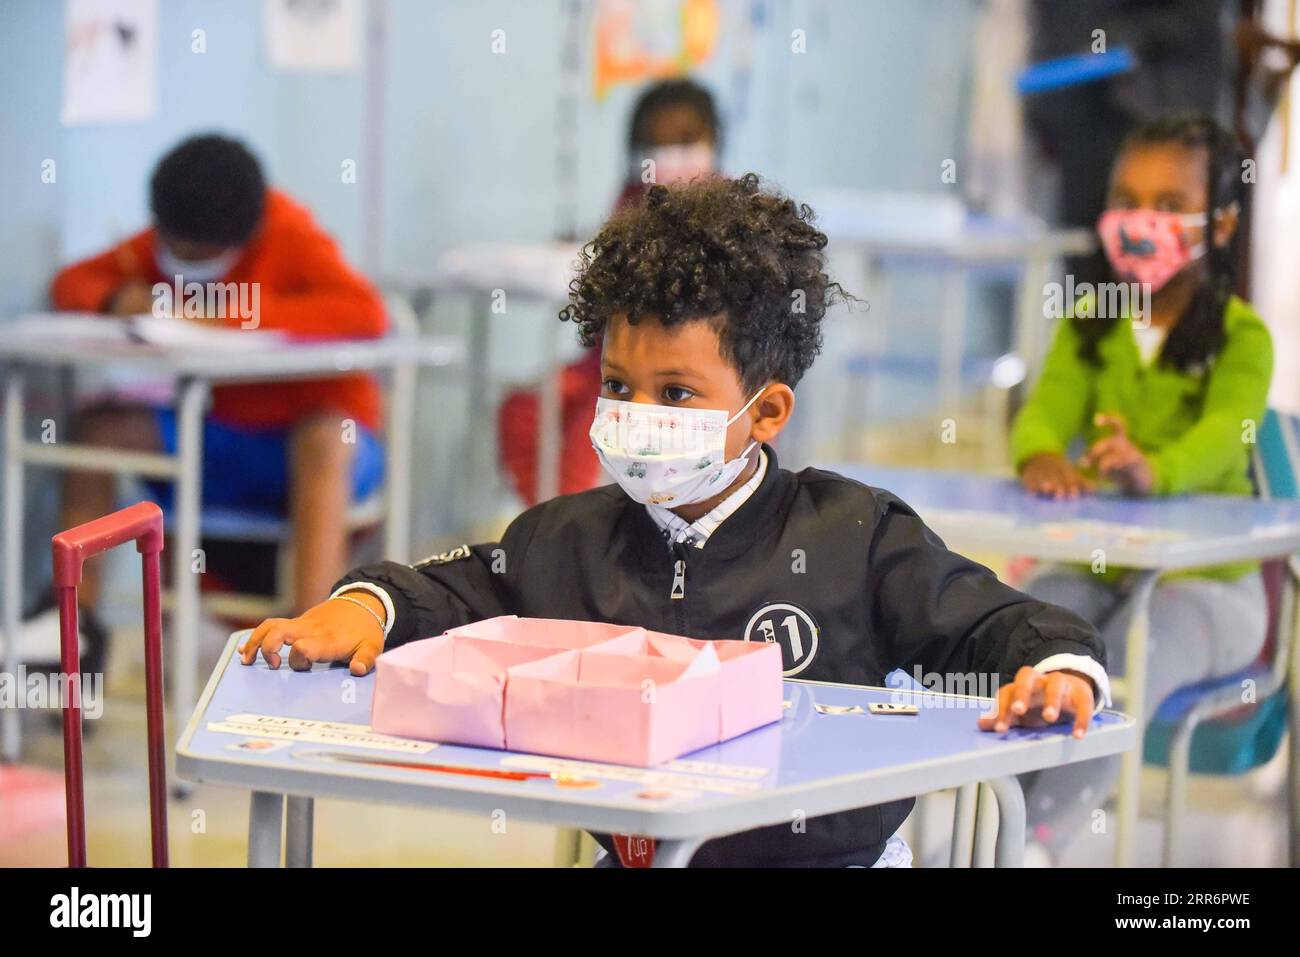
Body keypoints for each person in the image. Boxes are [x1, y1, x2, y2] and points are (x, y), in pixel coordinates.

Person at [242, 174, 1110, 868]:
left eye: (677, 393)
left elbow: (996, 622)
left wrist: (1054, 667)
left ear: (767, 412)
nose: (636, 412)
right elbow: (449, 586)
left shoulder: (856, 535)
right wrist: (362, 606)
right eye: (620, 385)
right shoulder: (568, 538)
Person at [1010, 114, 1272, 863]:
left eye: (1166, 201)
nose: (1140, 219)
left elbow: (1230, 432)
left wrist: (1154, 470)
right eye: (1127, 197)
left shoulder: (1242, 337)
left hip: (1211, 589)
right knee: (1035, 633)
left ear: (1218, 223)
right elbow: (1044, 413)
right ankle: (988, 822)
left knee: (1127, 654)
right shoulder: (1091, 322)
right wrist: (1037, 458)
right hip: (1104, 566)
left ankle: (1033, 843)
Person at [44, 133, 386, 669]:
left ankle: (311, 642)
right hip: (217, 438)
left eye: (200, 258)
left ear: (242, 238)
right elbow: (72, 282)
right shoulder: (165, 231)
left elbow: (363, 314)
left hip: (314, 447)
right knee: (101, 429)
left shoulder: (287, 232)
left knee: (323, 436)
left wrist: (230, 312)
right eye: (175, 250)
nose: (182, 263)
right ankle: (73, 631)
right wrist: (114, 299)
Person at [498, 77, 722, 505]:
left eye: (684, 140)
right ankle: (547, 516)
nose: (670, 155)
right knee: (525, 409)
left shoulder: (725, 210)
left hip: (668, 370)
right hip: (602, 364)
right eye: (657, 143)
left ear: (712, 139)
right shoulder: (634, 198)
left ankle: (568, 524)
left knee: (596, 429)